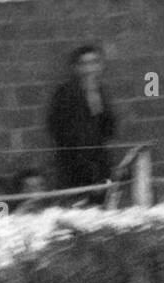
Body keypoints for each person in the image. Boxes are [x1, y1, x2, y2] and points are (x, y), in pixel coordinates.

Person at [45, 43, 116, 203]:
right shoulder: (65, 94)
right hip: (74, 171)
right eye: (85, 64)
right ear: (76, 68)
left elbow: (108, 130)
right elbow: (62, 132)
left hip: (99, 170)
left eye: (94, 63)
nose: (90, 69)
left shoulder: (100, 92)